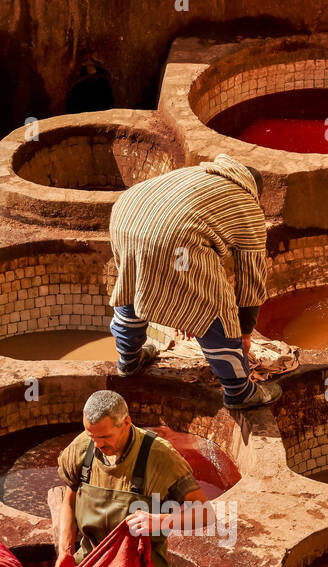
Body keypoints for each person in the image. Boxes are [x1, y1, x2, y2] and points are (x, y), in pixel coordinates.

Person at [55, 389, 210, 567]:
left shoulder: (160, 456)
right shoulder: (83, 448)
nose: (99, 445)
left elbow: (205, 514)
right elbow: (69, 499)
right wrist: (64, 551)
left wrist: (160, 519)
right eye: (92, 437)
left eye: (105, 437)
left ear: (127, 423)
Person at [107, 153, 282, 410]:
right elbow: (251, 280)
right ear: (255, 191)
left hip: (126, 214)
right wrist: (244, 332)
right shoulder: (248, 205)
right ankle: (239, 391)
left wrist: (184, 303)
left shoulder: (199, 174)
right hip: (173, 236)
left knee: (132, 287)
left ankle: (128, 361)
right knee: (214, 307)